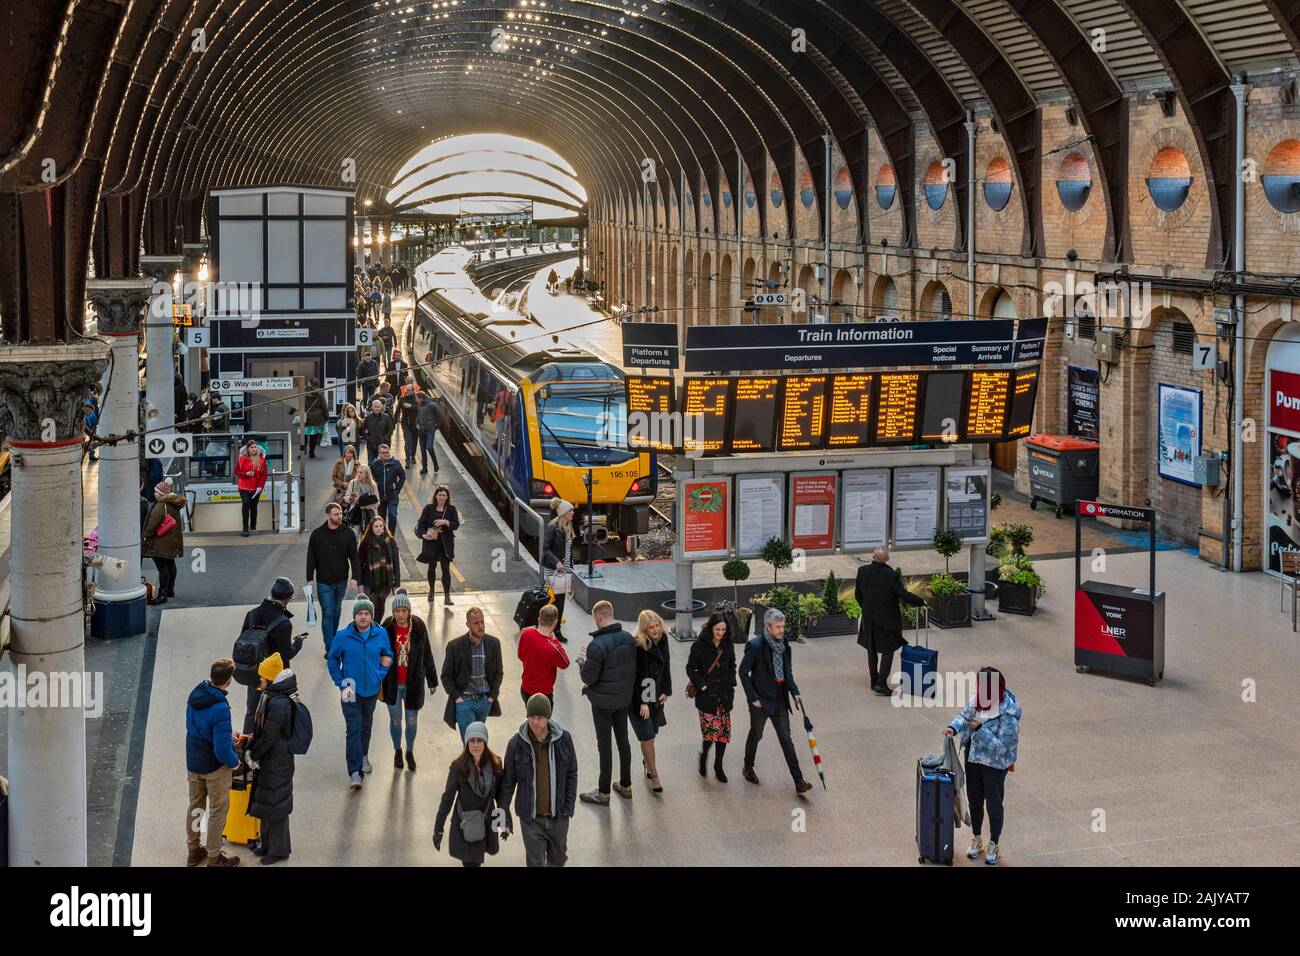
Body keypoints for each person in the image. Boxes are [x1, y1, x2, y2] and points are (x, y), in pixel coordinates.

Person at [945, 666, 1021, 865]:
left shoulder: (1008, 714)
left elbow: (1003, 747)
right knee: (975, 801)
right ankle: (977, 839)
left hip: (994, 766)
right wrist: (953, 727)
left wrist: (980, 730)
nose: (979, 690)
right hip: (973, 760)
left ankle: (994, 843)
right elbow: (965, 716)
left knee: (994, 805)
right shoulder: (977, 700)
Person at [739, 608, 813, 794]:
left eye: (783, 626)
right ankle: (748, 767)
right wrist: (753, 697)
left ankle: (798, 781)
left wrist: (794, 692)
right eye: (777, 627)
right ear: (767, 626)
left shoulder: (785, 645)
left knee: (786, 739)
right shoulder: (755, 646)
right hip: (761, 701)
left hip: (780, 700)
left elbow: (787, 672)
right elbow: (743, 672)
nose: (781, 630)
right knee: (756, 734)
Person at [500, 694, 577, 867]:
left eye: (540, 718)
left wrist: (568, 807)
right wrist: (503, 814)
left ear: (548, 718)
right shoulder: (515, 744)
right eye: (531, 717)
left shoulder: (564, 740)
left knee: (557, 861)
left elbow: (572, 773)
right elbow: (508, 782)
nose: (535, 722)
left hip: (559, 816)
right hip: (531, 819)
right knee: (535, 862)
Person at [327, 596, 393, 789]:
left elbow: (387, 654)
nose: (363, 617)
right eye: (360, 614)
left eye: (366, 614)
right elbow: (332, 659)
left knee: (366, 725)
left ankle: (363, 755)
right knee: (353, 729)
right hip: (350, 690)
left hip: (371, 689)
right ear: (354, 616)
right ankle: (355, 771)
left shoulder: (380, 634)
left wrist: (380, 674)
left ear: (371, 616)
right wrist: (341, 682)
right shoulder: (342, 636)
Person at [576, 600, 636, 805]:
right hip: (623, 699)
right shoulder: (628, 638)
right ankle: (626, 785)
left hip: (602, 703)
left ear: (598, 618)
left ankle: (603, 792)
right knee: (623, 741)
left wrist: (583, 662)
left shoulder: (596, 645)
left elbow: (588, 678)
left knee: (605, 746)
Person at [185, 657, 242, 867]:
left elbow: (200, 728)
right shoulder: (220, 708)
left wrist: (226, 734)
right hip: (214, 767)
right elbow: (221, 750)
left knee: (196, 807)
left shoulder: (196, 694)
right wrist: (234, 762)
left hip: (193, 761)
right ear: (229, 680)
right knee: (217, 810)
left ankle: (193, 851)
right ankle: (213, 857)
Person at [433, 722, 509, 867]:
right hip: (465, 824)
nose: (475, 744)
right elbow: (447, 799)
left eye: (479, 740)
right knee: (471, 863)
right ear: (467, 742)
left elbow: (499, 796)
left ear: (485, 742)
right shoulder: (458, 766)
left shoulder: (495, 764)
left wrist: (503, 823)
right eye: (472, 740)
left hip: (486, 821)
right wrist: (438, 829)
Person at [247, 652, 298, 865]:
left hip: (277, 760)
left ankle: (279, 851)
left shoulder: (278, 704)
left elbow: (269, 736)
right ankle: (267, 845)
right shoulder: (273, 696)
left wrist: (253, 754)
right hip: (272, 758)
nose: (260, 680)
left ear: (270, 678)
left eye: (262, 677)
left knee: (277, 805)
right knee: (268, 802)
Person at [855, 546, 927, 696]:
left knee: (872, 648)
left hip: (869, 618)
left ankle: (873, 681)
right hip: (887, 619)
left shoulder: (862, 571)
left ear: (872, 557)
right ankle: (881, 683)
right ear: (887, 559)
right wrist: (920, 601)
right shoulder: (891, 575)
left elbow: (858, 595)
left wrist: (867, 607)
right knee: (888, 650)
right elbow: (903, 594)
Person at [380, 589, 438, 772]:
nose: (400, 615)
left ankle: (409, 751)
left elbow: (427, 653)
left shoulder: (419, 627)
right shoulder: (386, 628)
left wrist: (432, 680)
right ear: (393, 612)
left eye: (404, 611)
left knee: (412, 721)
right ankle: (397, 750)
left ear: (409, 611)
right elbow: (376, 653)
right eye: (397, 611)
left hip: (413, 683)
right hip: (392, 685)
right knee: (396, 720)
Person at [240, 577, 303, 734]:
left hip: (253, 670)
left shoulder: (252, 614)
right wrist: (298, 643)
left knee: (252, 711)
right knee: (274, 714)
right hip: (275, 675)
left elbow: (243, 638)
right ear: (287, 599)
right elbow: (286, 654)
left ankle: (246, 745)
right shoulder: (283, 622)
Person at [686, 611, 738, 783]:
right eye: (717, 629)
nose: (720, 633)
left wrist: (731, 682)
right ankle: (704, 756)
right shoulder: (699, 645)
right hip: (707, 697)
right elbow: (691, 668)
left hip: (724, 696)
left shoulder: (728, 644)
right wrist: (702, 685)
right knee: (710, 734)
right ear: (711, 628)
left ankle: (718, 766)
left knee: (723, 734)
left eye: (723, 629)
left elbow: (732, 664)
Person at [305, 502, 360, 656]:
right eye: (336, 514)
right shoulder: (317, 534)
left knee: (336, 611)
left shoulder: (348, 533)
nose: (340, 516)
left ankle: (334, 640)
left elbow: (354, 557)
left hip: (341, 580)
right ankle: (330, 647)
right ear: (328, 515)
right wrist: (310, 578)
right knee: (328, 612)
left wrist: (355, 577)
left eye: (341, 513)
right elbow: (311, 557)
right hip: (323, 581)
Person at [441, 607, 503, 740]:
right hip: (465, 703)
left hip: (484, 702)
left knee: (479, 742)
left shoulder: (494, 643)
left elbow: (498, 672)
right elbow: (446, 676)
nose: (481, 626)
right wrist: (458, 698)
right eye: (476, 623)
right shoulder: (455, 646)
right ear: (467, 625)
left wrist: (492, 696)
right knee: (470, 742)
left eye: (482, 622)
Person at [629, 609, 671, 794]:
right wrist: (643, 702)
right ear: (644, 628)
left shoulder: (663, 639)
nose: (655, 630)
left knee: (653, 732)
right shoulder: (640, 645)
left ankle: (647, 762)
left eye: (656, 626)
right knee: (647, 736)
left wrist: (666, 690)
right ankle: (655, 776)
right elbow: (641, 675)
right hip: (641, 697)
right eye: (650, 627)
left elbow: (666, 666)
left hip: (657, 695)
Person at [142, 479, 185, 603]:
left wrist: (146, 535)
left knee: (162, 568)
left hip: (161, 542)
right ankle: (170, 590)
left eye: (156, 492)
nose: (154, 494)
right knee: (170, 564)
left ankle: (162, 595)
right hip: (172, 541)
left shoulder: (161, 505)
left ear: (161, 494)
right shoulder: (173, 504)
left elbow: (152, 524)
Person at [415, 485, 459, 606]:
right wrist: (423, 534)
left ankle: (447, 596)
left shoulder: (451, 509)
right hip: (431, 542)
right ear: (435, 496)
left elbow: (456, 524)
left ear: (447, 497)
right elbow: (421, 523)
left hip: (445, 544)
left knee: (445, 569)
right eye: (439, 495)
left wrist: (445, 522)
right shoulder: (429, 508)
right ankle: (431, 591)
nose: (441, 497)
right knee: (431, 567)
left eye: (444, 495)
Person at [541, 499, 576, 642]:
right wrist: (557, 562)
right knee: (552, 600)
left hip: (565, 570)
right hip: (554, 570)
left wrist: (570, 568)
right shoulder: (553, 528)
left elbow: (568, 550)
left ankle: (555, 629)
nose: (573, 513)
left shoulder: (568, 526)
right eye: (570, 511)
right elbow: (545, 549)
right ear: (563, 513)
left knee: (560, 601)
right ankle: (549, 629)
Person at [357, 514, 400, 623]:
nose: (379, 528)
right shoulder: (366, 543)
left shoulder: (390, 541)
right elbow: (359, 564)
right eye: (376, 526)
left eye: (381, 526)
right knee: (371, 607)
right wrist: (359, 583)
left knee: (381, 608)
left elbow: (396, 563)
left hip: (386, 581)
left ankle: (376, 627)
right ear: (371, 528)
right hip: (369, 582)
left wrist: (397, 584)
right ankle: (371, 628)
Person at [370, 443, 406, 531]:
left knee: (392, 516)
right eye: (383, 453)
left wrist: (397, 490)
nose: (386, 454)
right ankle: (383, 535)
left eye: (387, 452)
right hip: (380, 496)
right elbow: (370, 479)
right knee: (381, 519)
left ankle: (390, 536)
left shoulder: (395, 463)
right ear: (379, 454)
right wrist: (374, 490)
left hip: (392, 496)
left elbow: (403, 476)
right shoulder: (374, 465)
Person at [236, 439, 268, 537]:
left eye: (255, 447)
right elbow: (236, 471)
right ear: (248, 449)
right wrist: (246, 474)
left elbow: (264, 475)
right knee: (246, 504)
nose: (254, 449)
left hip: (256, 488)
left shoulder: (262, 459)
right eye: (251, 447)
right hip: (243, 487)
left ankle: (253, 526)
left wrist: (260, 487)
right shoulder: (241, 459)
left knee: (253, 507)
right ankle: (245, 527)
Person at [344, 462, 380, 530]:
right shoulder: (353, 482)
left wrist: (367, 506)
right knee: (355, 533)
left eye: (361, 473)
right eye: (358, 472)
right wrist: (351, 498)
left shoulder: (373, 485)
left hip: (369, 513)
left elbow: (377, 502)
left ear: (366, 474)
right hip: (355, 512)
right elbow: (346, 498)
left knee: (367, 533)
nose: (358, 474)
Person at [413, 389, 441, 474]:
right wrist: (416, 423)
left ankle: (435, 464)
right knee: (422, 450)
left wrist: (436, 427)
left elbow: (439, 416)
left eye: (417, 398)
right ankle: (424, 468)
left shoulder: (432, 405)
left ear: (421, 398)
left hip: (430, 430)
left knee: (429, 447)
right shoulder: (419, 405)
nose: (416, 400)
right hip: (421, 430)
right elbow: (419, 416)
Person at [396, 376, 420, 468]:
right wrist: (393, 422)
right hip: (405, 423)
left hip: (416, 424)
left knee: (414, 441)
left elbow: (421, 408)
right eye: (406, 390)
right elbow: (397, 410)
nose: (406, 392)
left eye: (408, 390)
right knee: (408, 441)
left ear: (413, 391)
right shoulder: (402, 399)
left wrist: (410, 406)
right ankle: (407, 459)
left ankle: (413, 455)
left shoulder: (418, 398)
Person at [362, 397, 394, 462]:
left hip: (383, 445)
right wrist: (368, 438)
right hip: (371, 445)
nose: (377, 408)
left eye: (378, 407)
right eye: (375, 407)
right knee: (371, 463)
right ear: (372, 407)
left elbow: (390, 429)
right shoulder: (368, 417)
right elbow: (363, 430)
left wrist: (385, 438)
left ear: (381, 407)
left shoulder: (386, 417)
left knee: (383, 463)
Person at [303, 379, 329, 458]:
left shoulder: (303, 392)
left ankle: (303, 450)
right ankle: (311, 452)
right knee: (313, 436)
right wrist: (327, 417)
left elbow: (297, 402)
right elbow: (324, 407)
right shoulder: (320, 394)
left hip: (305, 417)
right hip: (317, 418)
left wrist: (291, 411)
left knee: (303, 435)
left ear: (309, 383)